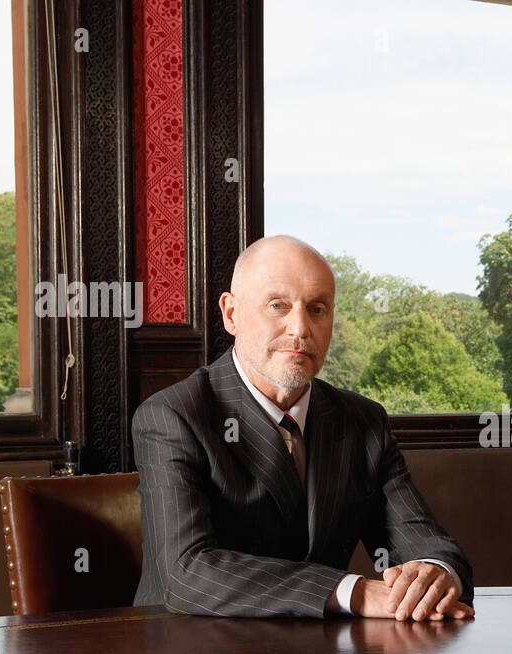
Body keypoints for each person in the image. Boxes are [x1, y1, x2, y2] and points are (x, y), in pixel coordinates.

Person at [132, 235, 474, 621]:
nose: (300, 328)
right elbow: (187, 573)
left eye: (317, 309)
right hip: (189, 653)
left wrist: (435, 575)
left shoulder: (363, 421)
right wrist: (353, 592)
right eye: (278, 305)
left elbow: (424, 541)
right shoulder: (173, 415)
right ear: (231, 314)